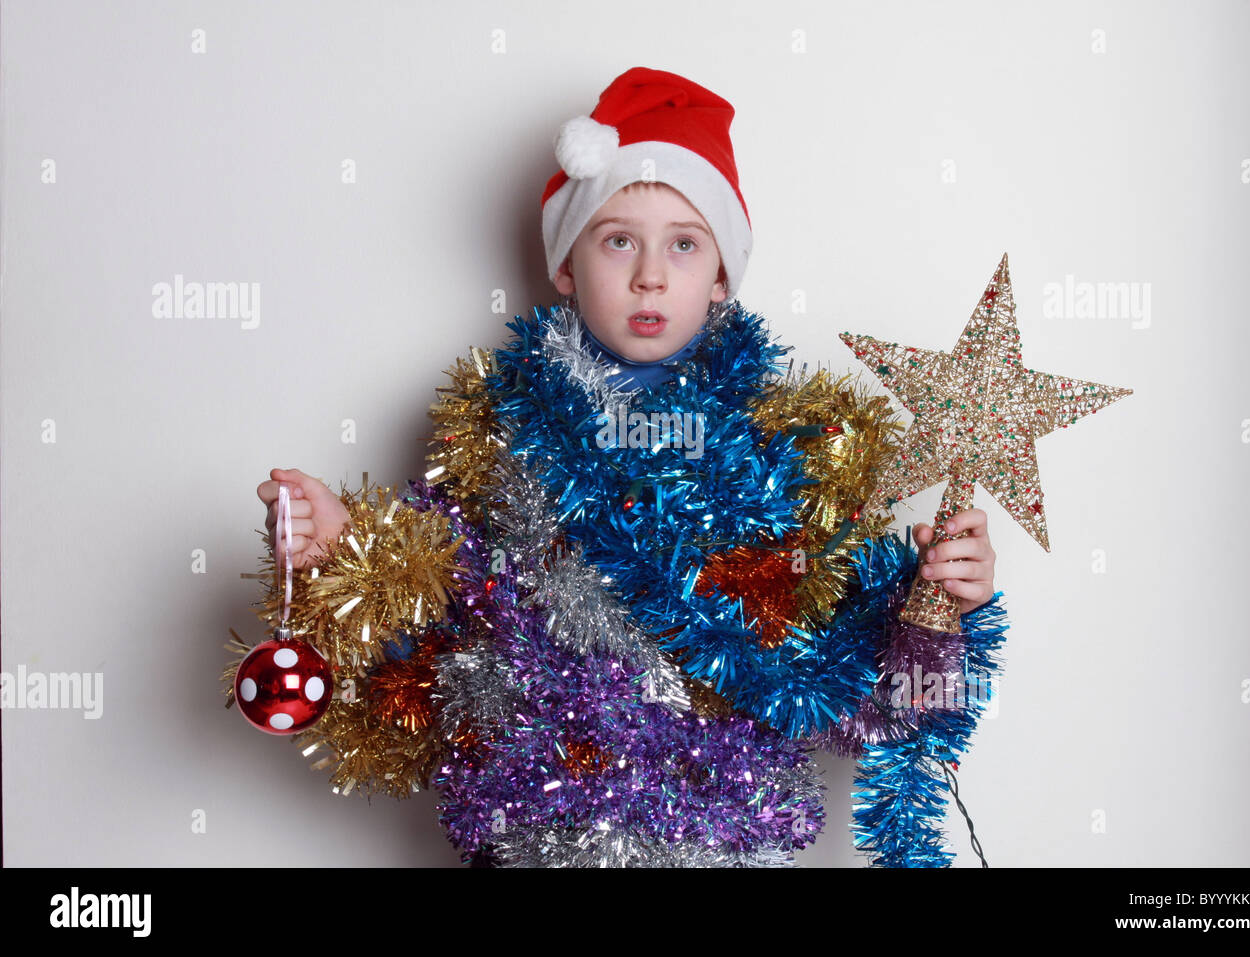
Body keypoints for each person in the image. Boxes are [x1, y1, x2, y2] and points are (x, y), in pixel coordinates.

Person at [249, 68, 1003, 867]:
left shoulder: (787, 458)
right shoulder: (498, 438)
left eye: (684, 242)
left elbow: (869, 707)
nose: (651, 273)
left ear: (720, 277)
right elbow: (429, 642)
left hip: (724, 843)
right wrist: (346, 554)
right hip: (535, 840)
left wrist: (941, 599)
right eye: (619, 240)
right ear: (567, 266)